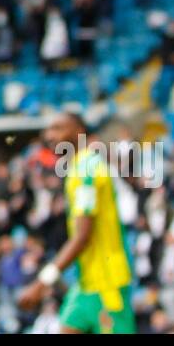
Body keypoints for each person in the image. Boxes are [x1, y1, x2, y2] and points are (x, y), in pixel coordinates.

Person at [16, 110, 135, 333]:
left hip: (108, 283)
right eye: (48, 130)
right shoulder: (79, 168)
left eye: (58, 128)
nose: (49, 135)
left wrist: (43, 282)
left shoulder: (87, 170)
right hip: (86, 283)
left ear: (79, 131)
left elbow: (82, 236)